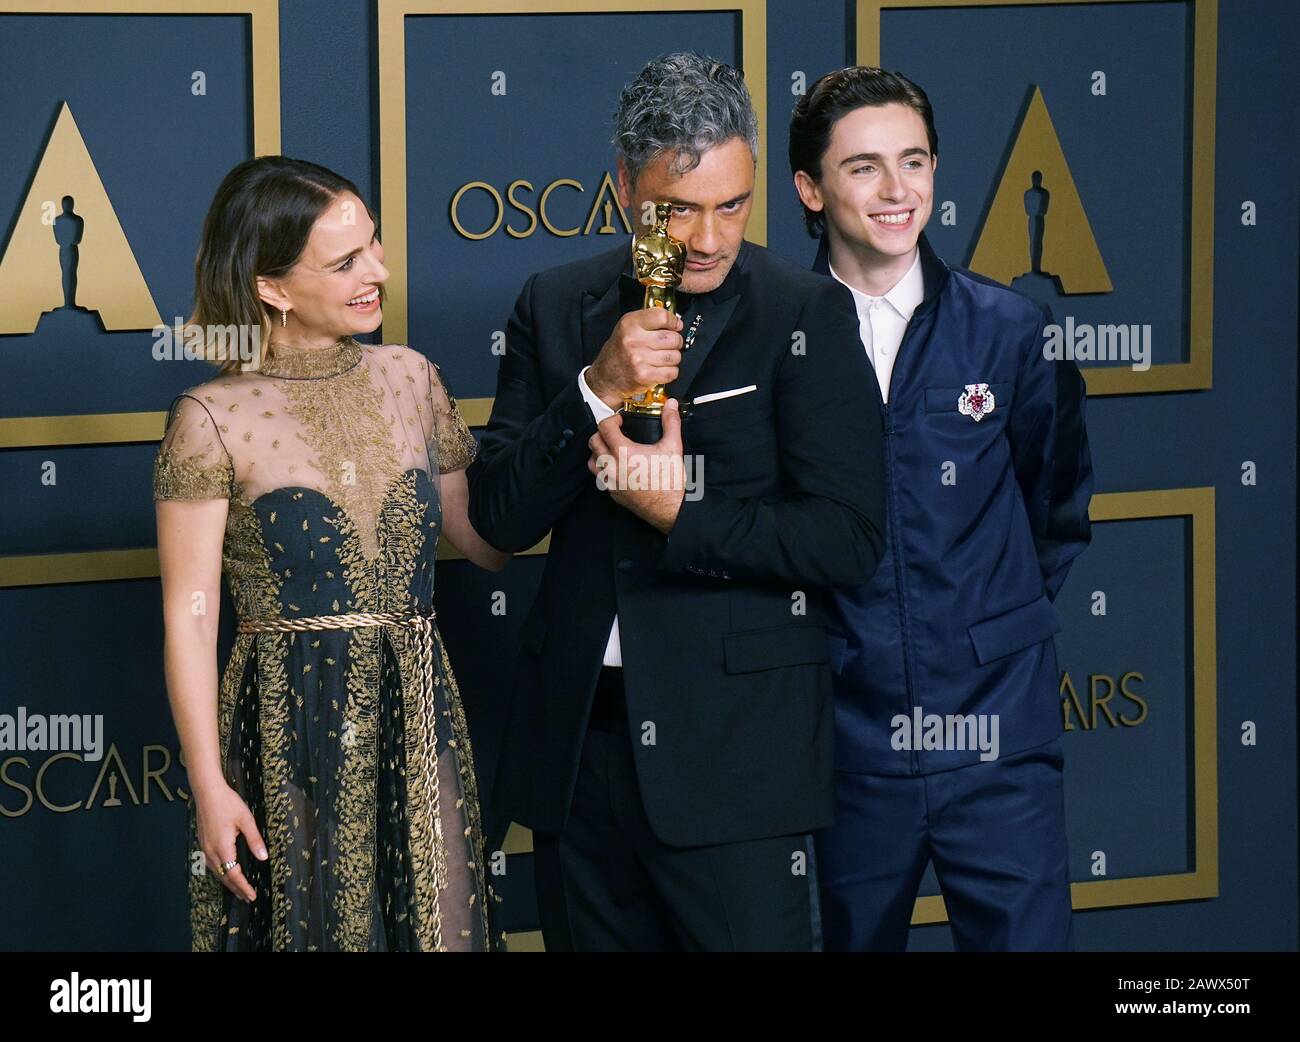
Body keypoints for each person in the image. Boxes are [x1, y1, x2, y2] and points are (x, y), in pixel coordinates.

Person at [467, 52, 886, 951]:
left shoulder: (803, 313)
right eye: (677, 209)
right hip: (578, 756)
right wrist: (591, 389)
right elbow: (497, 518)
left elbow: (848, 539)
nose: (706, 238)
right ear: (624, 189)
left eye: (731, 205)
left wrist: (681, 519)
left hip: (736, 761)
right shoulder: (554, 304)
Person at [152, 156, 508, 951]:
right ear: (271, 288)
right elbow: (189, 616)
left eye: (374, 246)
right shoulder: (212, 416)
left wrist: (592, 423)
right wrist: (209, 786)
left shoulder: (411, 378)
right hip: (290, 727)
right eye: (346, 261)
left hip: (417, 712)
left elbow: (485, 544)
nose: (377, 271)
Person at [790, 67, 1094, 951]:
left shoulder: (1008, 329)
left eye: (914, 162)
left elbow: (1057, 503)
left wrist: (987, 625)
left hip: (1001, 737)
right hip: (845, 746)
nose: (898, 192)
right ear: (810, 189)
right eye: (864, 168)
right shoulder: (778, 341)